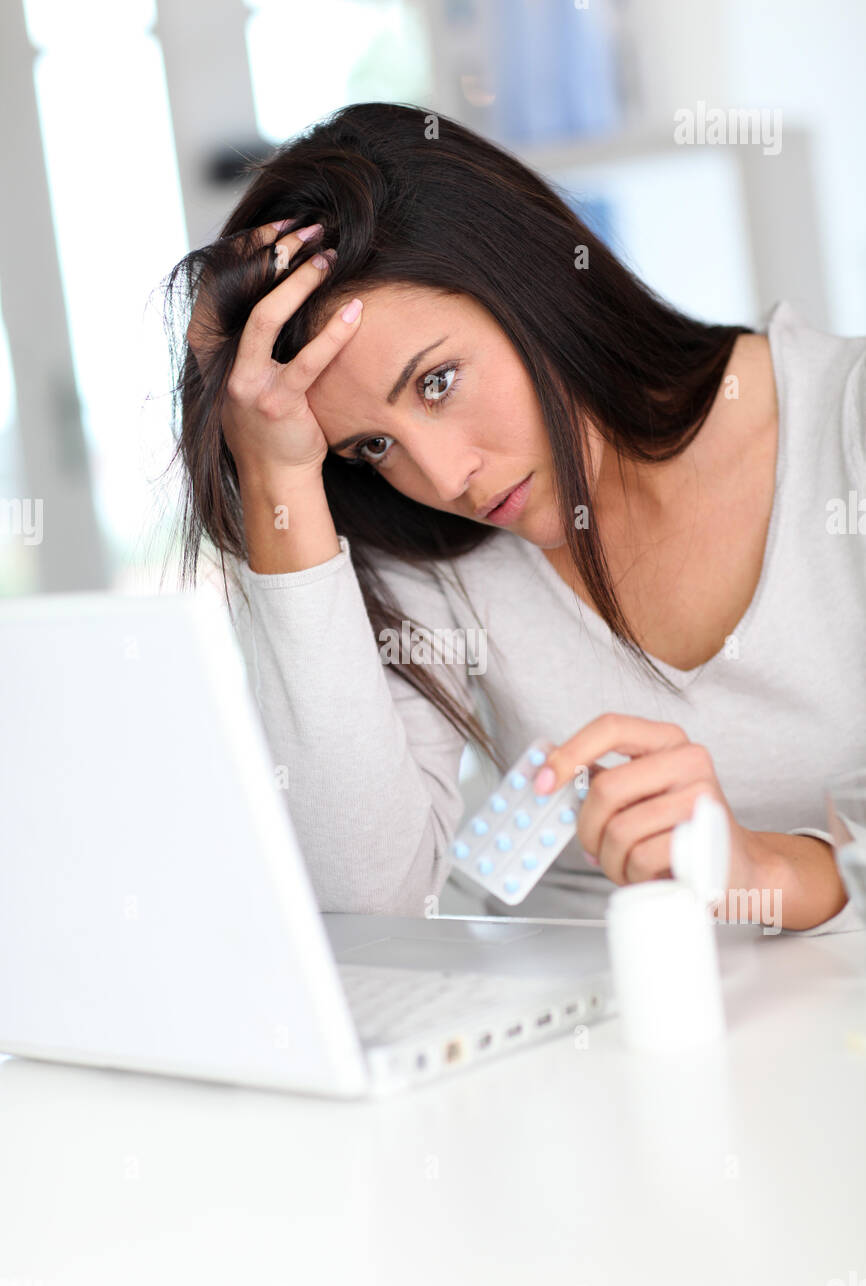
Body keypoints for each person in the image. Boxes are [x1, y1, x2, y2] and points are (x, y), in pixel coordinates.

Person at [166, 102, 866, 934]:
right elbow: (365, 909)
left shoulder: (843, 428)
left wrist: (775, 871)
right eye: (371, 448)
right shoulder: (420, 542)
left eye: (436, 382)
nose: (444, 475)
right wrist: (276, 473)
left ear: (530, 277)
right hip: (568, 1041)